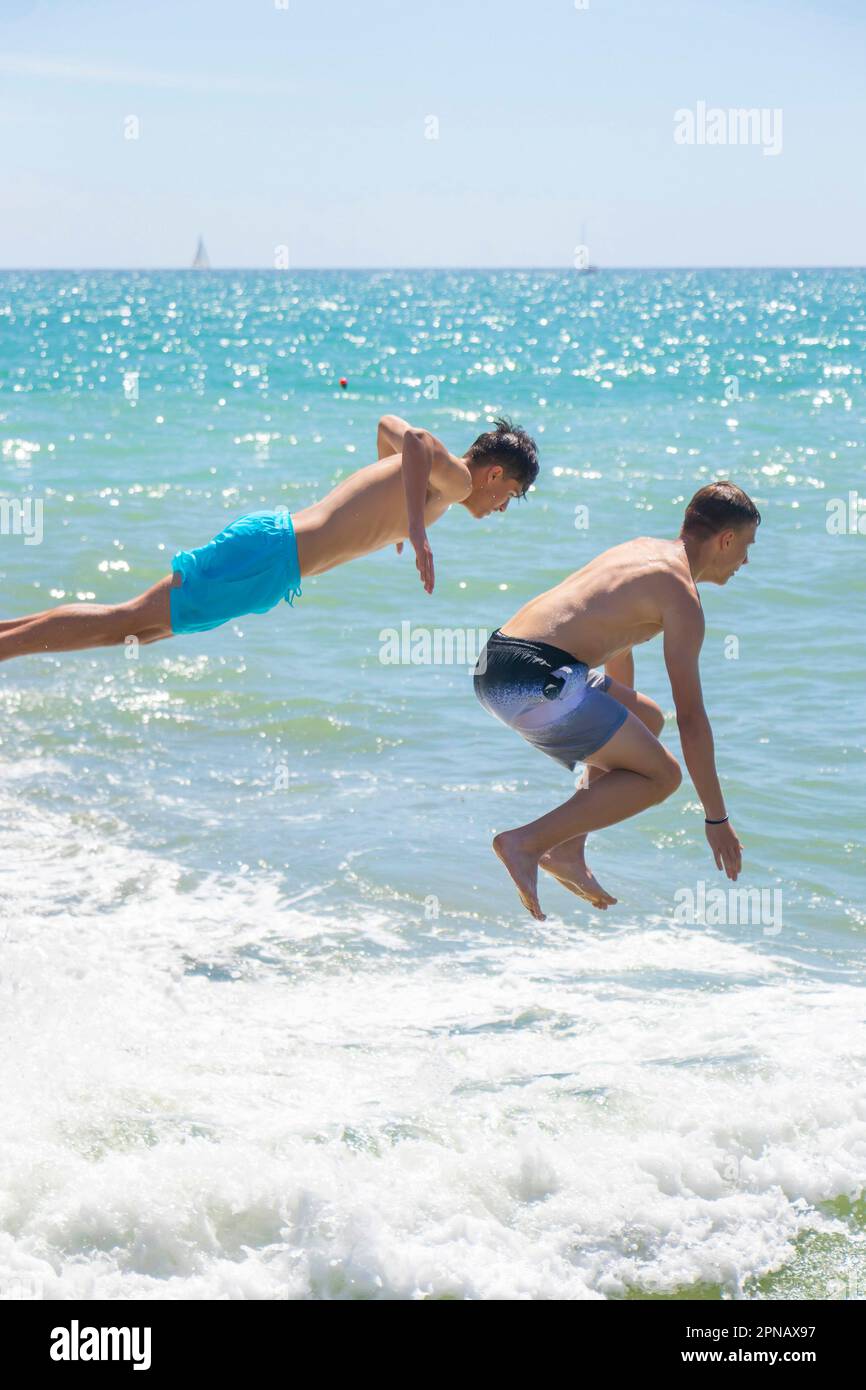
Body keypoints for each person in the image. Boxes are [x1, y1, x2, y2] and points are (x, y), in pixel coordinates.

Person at [0, 415, 538, 659]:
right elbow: (415, 438)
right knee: (127, 624)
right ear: (494, 475)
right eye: (510, 495)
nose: (501, 508)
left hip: (271, 551)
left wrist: (402, 509)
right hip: (271, 558)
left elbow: (386, 428)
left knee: (142, 630)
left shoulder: (442, 482)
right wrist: (416, 530)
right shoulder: (459, 478)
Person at [473, 481, 758, 920]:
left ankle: (568, 850)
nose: (746, 560)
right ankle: (526, 842)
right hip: (535, 680)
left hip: (497, 664)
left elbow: (615, 647)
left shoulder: (642, 551)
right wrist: (716, 819)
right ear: (726, 539)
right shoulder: (683, 598)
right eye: (746, 546)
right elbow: (692, 719)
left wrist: (625, 714)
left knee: (647, 717)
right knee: (663, 777)